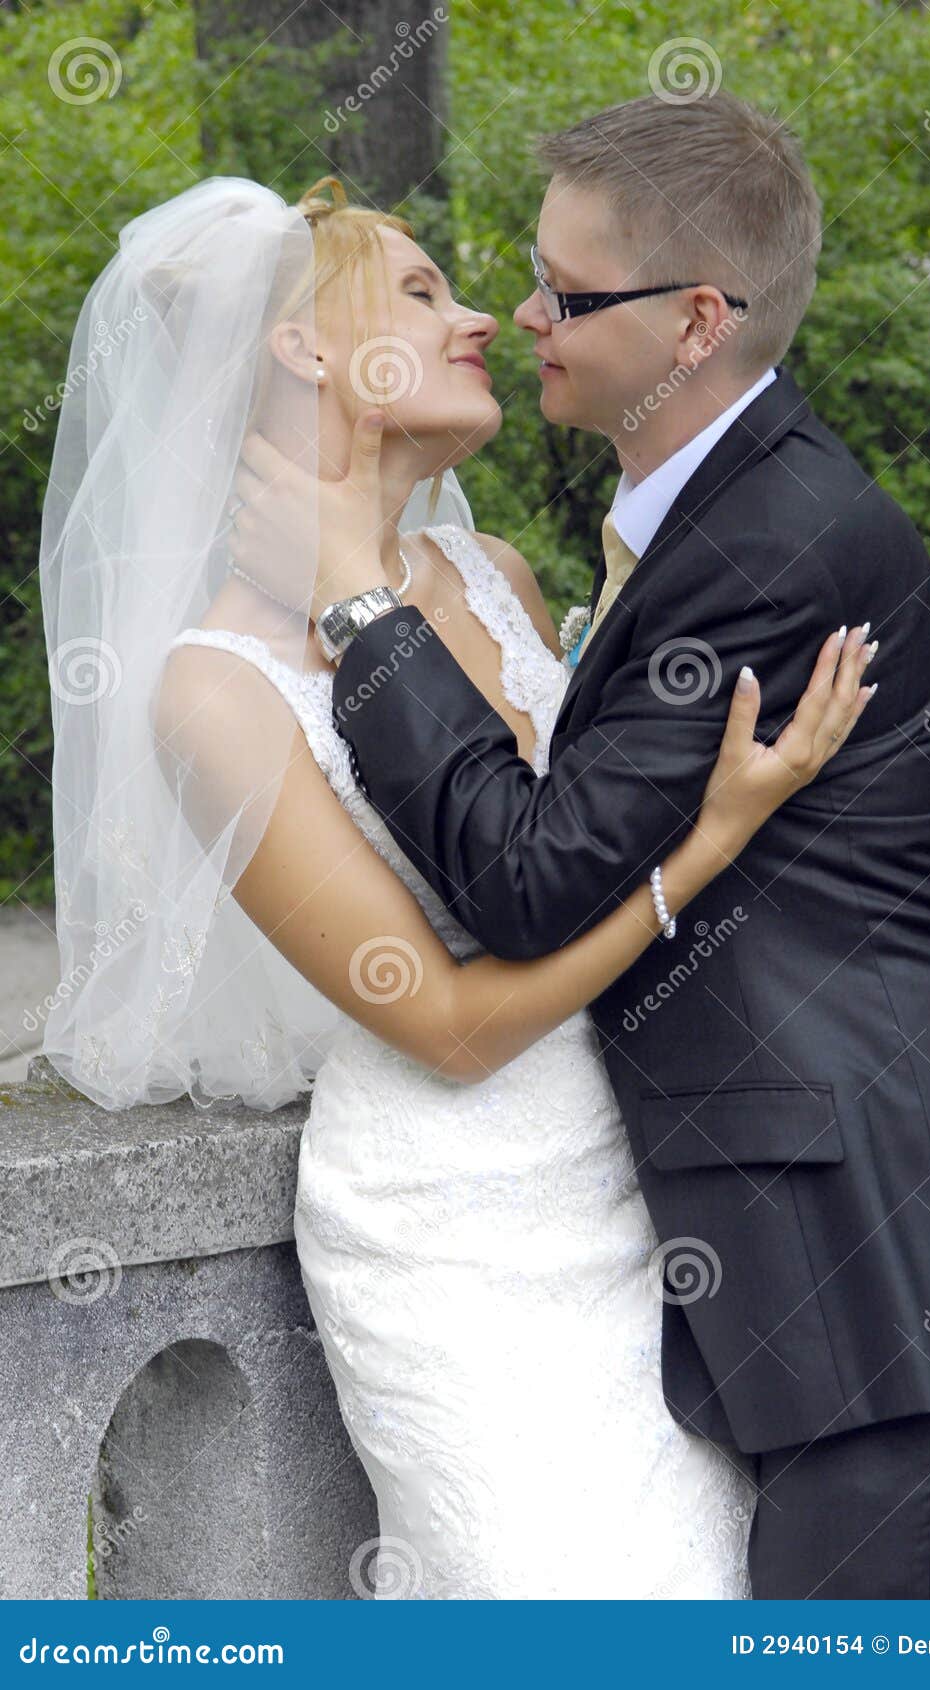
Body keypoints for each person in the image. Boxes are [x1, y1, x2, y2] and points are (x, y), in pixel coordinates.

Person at [236, 94, 930, 1600]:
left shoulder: (770, 538)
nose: (526, 312)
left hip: (881, 1264)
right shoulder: (686, 511)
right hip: (710, 1255)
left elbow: (527, 874)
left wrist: (360, 602)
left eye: (568, 290)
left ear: (694, 323)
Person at [39, 173, 872, 1600]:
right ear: (305, 348)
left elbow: (548, 855)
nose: (484, 314)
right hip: (461, 1228)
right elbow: (447, 1025)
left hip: (650, 1202)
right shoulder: (214, 688)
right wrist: (707, 845)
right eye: (422, 292)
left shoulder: (492, 575)